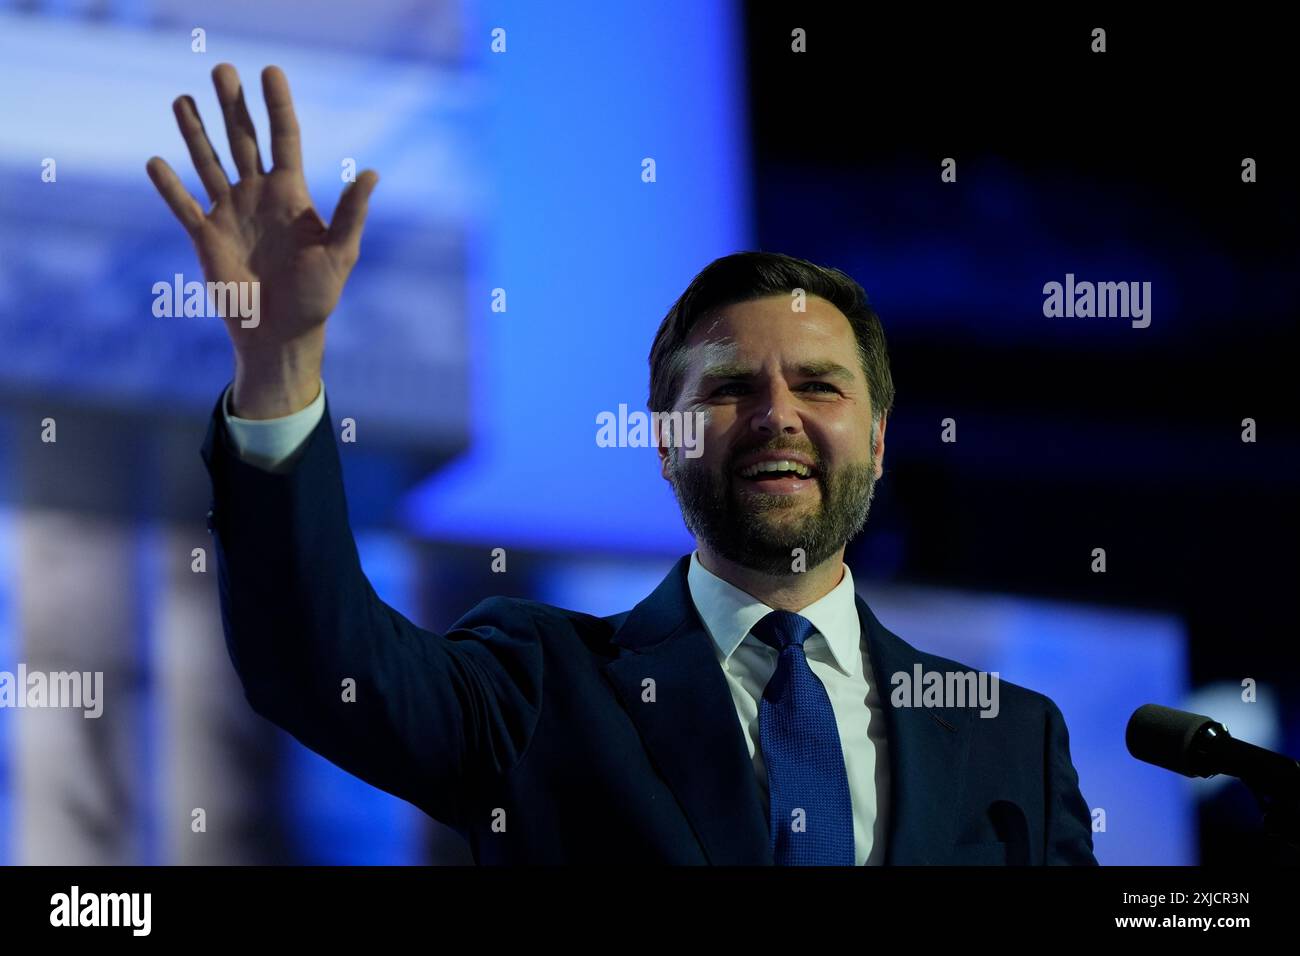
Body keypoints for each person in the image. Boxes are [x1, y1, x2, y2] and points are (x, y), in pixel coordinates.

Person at [149, 64, 1098, 865]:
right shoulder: (540, 687)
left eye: (819, 385)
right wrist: (278, 361)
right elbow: (315, 664)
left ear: (881, 439)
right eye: (729, 390)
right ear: (664, 441)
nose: (777, 416)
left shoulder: (1011, 743)